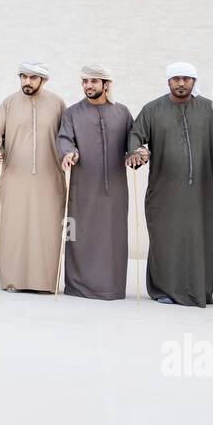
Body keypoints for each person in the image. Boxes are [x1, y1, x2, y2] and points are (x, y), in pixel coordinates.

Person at [127, 62, 213, 307]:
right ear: (168, 81)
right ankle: (163, 289)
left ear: (194, 81)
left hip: (201, 190)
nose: (181, 83)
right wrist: (137, 151)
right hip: (164, 190)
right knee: (165, 238)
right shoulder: (153, 109)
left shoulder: (209, 108)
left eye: (187, 79)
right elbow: (136, 135)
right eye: (176, 78)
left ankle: (199, 290)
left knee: (199, 238)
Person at [0, 60, 66, 293]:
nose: (26, 82)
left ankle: (45, 283)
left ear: (43, 80)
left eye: (32, 77)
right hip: (15, 178)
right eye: (23, 77)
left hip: (49, 180)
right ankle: (13, 281)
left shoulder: (57, 103)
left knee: (47, 231)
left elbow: (67, 136)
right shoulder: (9, 103)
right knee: (14, 230)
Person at [57, 65, 133, 301]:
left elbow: (133, 140)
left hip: (116, 188)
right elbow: (64, 138)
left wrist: (137, 153)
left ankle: (112, 288)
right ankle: (79, 286)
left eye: (94, 81)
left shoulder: (122, 113)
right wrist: (69, 153)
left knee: (113, 237)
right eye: (85, 81)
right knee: (79, 234)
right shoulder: (72, 113)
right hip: (84, 187)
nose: (88, 86)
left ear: (106, 85)